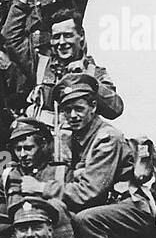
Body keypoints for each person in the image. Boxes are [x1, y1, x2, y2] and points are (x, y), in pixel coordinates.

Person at [8, 8, 123, 124]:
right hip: (44, 139)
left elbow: (116, 109)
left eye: (68, 35)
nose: (62, 42)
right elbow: (10, 37)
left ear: (81, 35)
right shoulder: (40, 65)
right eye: (56, 37)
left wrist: (86, 79)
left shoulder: (93, 72)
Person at [55, 72, 130, 215]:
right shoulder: (72, 137)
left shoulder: (107, 138)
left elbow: (89, 192)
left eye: (79, 109)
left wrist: (42, 188)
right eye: (67, 110)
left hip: (117, 206)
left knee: (82, 219)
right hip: (95, 204)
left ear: (93, 107)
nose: (73, 116)